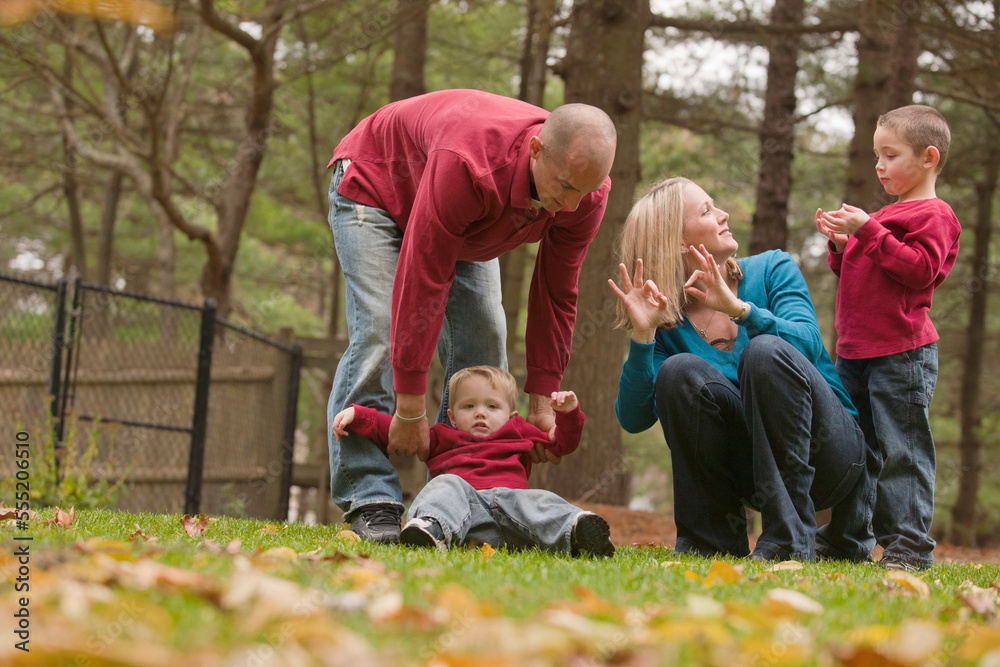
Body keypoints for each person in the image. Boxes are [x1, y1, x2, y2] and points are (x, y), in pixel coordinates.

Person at [325, 89, 617, 542]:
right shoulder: (470, 162)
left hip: (467, 217)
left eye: (587, 190)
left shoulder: (583, 191)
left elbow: (557, 292)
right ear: (537, 150)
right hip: (379, 186)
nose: (573, 205)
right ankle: (371, 497)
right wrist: (408, 407)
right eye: (565, 187)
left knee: (485, 341)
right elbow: (424, 274)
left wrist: (542, 397)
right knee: (381, 333)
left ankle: (462, 498)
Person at [608, 176, 875, 563]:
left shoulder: (772, 268)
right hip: (755, 473)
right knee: (678, 371)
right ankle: (709, 544)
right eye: (706, 210)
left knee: (765, 352)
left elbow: (807, 344)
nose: (723, 214)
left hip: (831, 455)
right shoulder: (668, 323)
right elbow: (632, 419)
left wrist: (740, 310)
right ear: (677, 241)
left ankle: (788, 543)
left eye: (715, 205)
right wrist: (644, 335)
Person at [815, 105, 961, 572]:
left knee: (903, 449)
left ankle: (909, 545)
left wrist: (868, 230)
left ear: (928, 158)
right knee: (858, 450)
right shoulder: (882, 216)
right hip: (855, 352)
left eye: (890, 154)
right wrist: (842, 245)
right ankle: (847, 537)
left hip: (903, 353)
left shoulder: (935, 215)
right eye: (877, 155)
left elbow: (920, 271)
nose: (879, 165)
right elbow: (859, 273)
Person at [331, 365, 615, 557]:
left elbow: (561, 444)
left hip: (514, 511)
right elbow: (392, 431)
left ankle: (577, 529)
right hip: (467, 518)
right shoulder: (441, 436)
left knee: (539, 500)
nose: (481, 413)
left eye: (492, 406)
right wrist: (358, 415)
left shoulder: (518, 431)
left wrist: (568, 414)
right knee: (446, 484)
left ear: (511, 415)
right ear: (452, 416)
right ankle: (431, 527)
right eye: (469, 406)